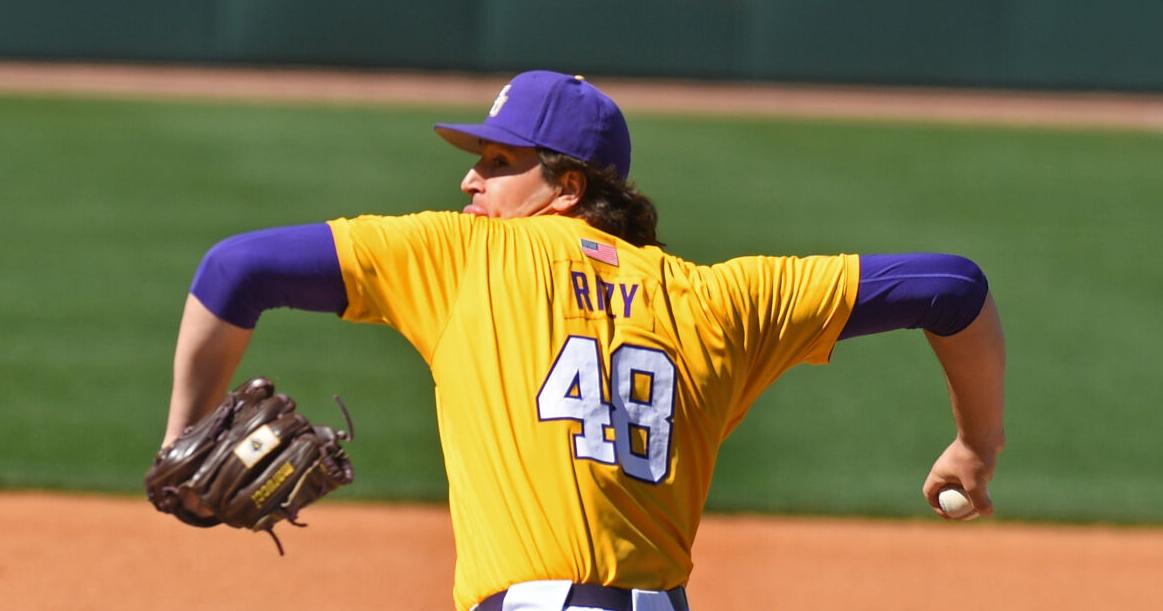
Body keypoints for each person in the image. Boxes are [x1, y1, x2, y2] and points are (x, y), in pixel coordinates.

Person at [161, 70, 1005, 611]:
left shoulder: (466, 254)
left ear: (566, 186)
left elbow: (235, 269)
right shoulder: (724, 297)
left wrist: (182, 442)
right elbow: (951, 287)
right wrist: (974, 445)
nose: (469, 179)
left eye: (497, 162)